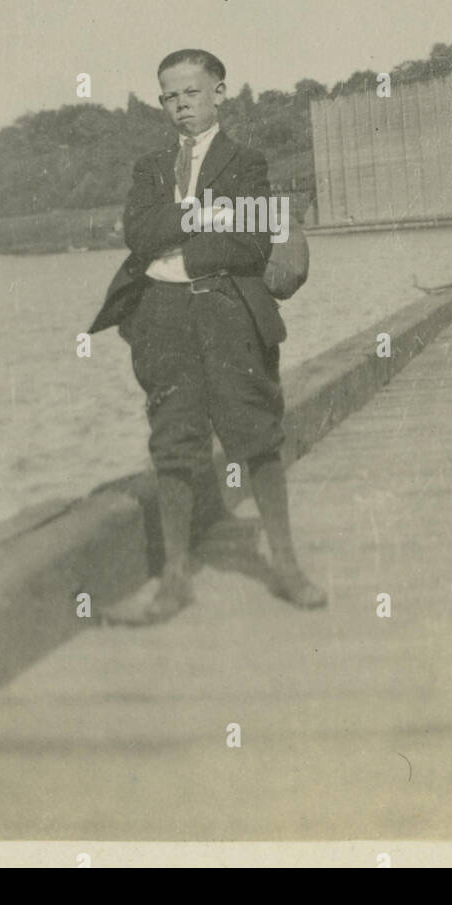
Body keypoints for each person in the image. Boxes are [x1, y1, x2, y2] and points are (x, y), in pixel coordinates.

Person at [89, 48, 326, 624]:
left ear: (219, 92)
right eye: (169, 96)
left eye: (191, 93)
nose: (180, 106)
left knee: (255, 432)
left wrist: (186, 224)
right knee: (174, 440)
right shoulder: (150, 167)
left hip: (227, 313)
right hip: (163, 319)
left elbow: (248, 244)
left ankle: (286, 564)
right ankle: (175, 579)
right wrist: (205, 214)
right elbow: (141, 236)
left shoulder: (246, 161)